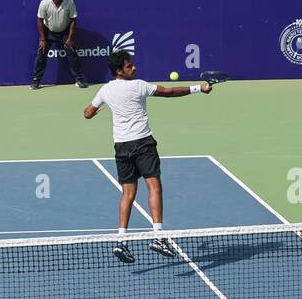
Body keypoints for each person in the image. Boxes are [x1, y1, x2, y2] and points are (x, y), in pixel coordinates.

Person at [83, 51, 210, 263]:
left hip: (121, 147)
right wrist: (199, 88)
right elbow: (169, 93)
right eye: (129, 66)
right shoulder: (140, 86)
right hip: (143, 144)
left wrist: (97, 111)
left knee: (127, 194)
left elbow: (87, 113)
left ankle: (121, 242)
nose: (135, 68)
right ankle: (158, 237)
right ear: (119, 71)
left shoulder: (105, 90)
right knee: (154, 187)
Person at [32, 0, 87, 90]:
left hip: (65, 32)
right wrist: (43, 39)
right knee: (41, 54)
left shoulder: (69, 2)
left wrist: (70, 38)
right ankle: (36, 81)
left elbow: (73, 20)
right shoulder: (44, 3)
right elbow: (39, 20)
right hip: (48, 32)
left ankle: (79, 79)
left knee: (72, 53)